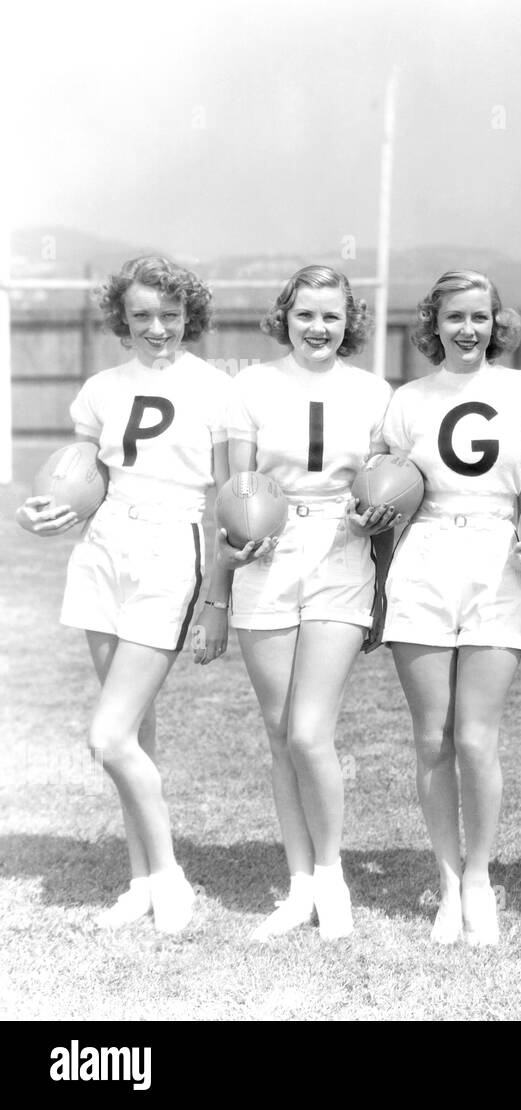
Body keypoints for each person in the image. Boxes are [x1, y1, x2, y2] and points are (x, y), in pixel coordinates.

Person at [15, 256, 235, 933]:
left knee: (107, 736)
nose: (157, 327)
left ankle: (170, 875)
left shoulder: (216, 388)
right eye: (142, 314)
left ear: (188, 315)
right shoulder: (102, 389)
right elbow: (84, 481)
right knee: (134, 728)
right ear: (122, 317)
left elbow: (227, 497)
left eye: (169, 314)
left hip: (172, 550)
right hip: (103, 550)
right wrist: (46, 514)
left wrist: (219, 600)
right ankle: (140, 882)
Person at [221, 265, 394, 941]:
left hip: (342, 550)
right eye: (305, 315)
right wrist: (231, 555)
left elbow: (384, 493)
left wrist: (382, 577)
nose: (318, 327)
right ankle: (297, 887)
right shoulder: (252, 386)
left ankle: (332, 877)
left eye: (330, 315)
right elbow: (238, 486)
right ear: (284, 318)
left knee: (309, 731)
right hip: (269, 552)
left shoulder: (374, 391)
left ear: (349, 321)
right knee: (277, 729)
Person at [382, 270, 521, 946]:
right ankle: (447, 881)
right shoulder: (409, 400)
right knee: (433, 737)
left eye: (480, 317)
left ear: (496, 322)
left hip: (496, 558)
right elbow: (389, 489)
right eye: (455, 317)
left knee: (477, 738)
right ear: (435, 321)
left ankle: (479, 875)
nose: (468, 329)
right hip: (424, 557)